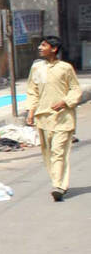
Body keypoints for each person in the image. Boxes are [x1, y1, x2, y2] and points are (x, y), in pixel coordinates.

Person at [25, 36, 81, 201]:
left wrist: (65, 102)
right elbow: (32, 91)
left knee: (59, 151)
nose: (40, 48)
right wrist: (30, 111)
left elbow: (75, 89)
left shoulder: (65, 68)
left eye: (44, 45)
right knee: (48, 153)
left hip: (63, 118)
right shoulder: (36, 68)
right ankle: (57, 180)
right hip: (43, 118)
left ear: (54, 49)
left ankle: (59, 186)